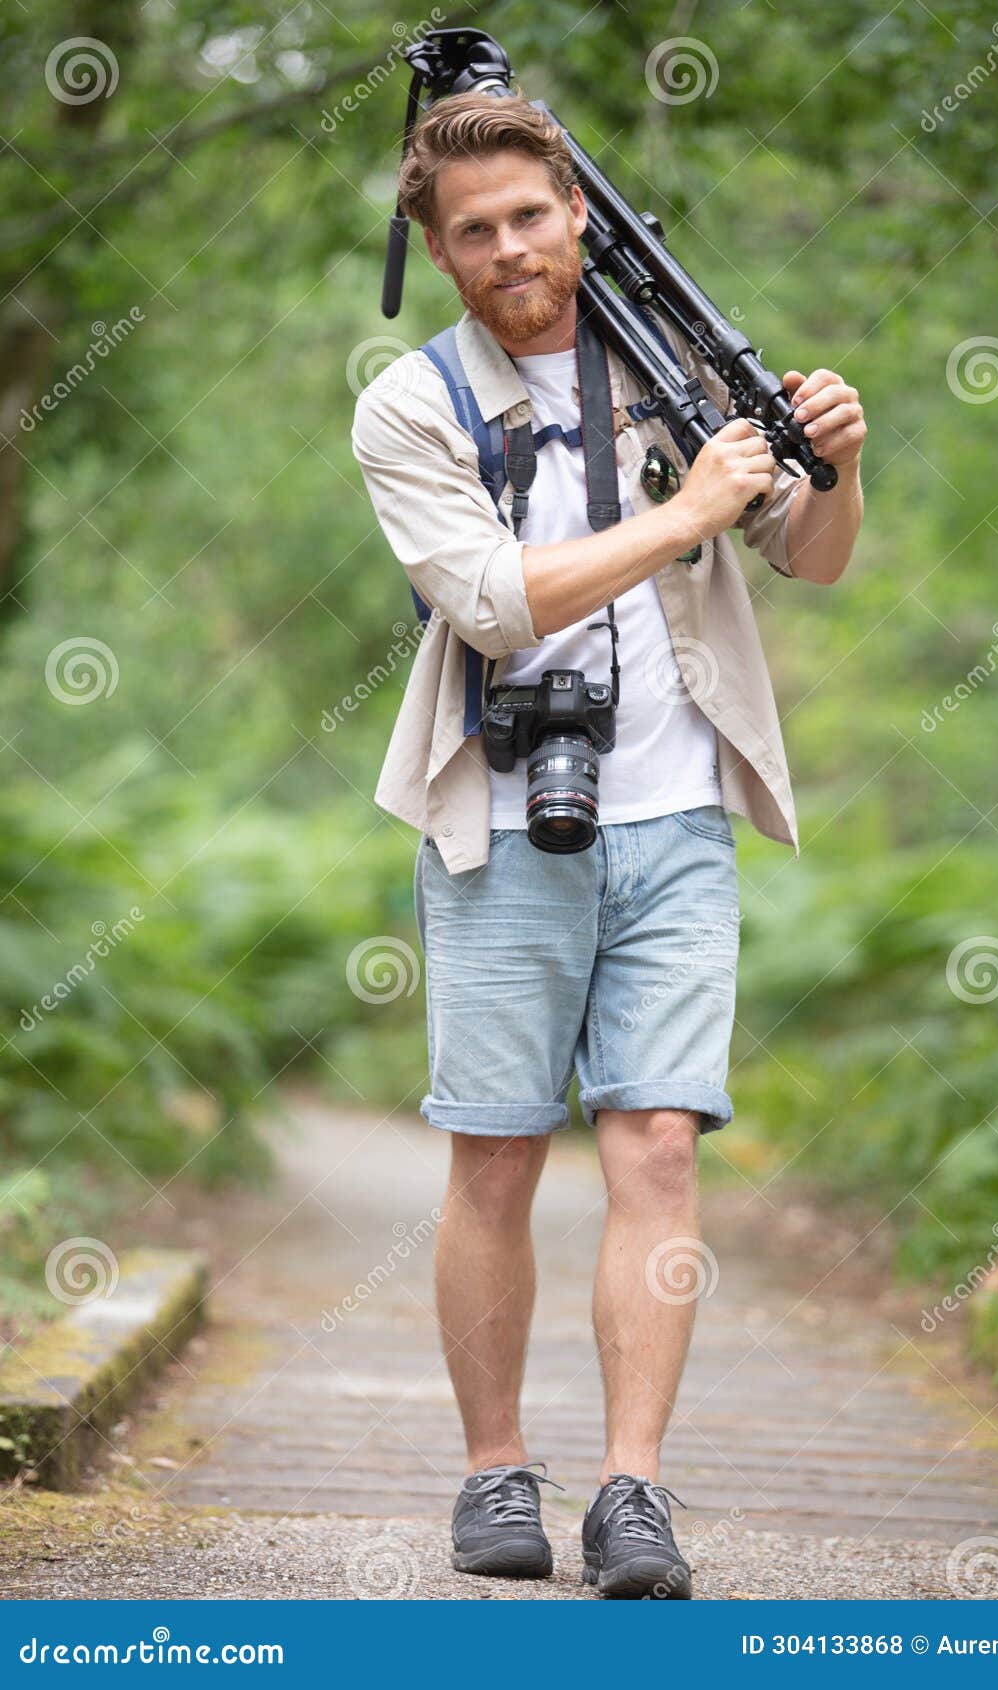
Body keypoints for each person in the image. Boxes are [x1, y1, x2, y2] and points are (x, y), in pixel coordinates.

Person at [351, 90, 866, 1599]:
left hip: (674, 813)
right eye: (473, 231)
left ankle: (632, 1490)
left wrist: (838, 459)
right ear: (438, 256)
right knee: (496, 1151)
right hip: (497, 825)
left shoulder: (674, 366)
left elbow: (809, 556)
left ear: (576, 210)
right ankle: (491, 1470)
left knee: (654, 1142)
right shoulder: (411, 405)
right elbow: (495, 602)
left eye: (528, 214)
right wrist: (685, 509)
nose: (508, 247)